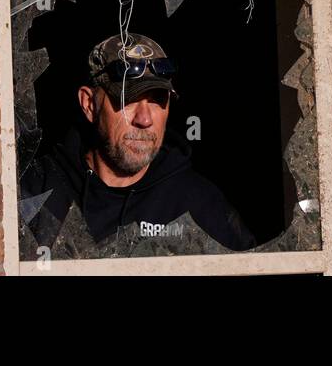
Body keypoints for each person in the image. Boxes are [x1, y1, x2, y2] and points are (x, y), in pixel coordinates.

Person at [19, 33, 257, 252]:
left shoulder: (198, 203)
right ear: (89, 105)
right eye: (128, 99)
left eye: (156, 100)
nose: (144, 119)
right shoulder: (37, 192)